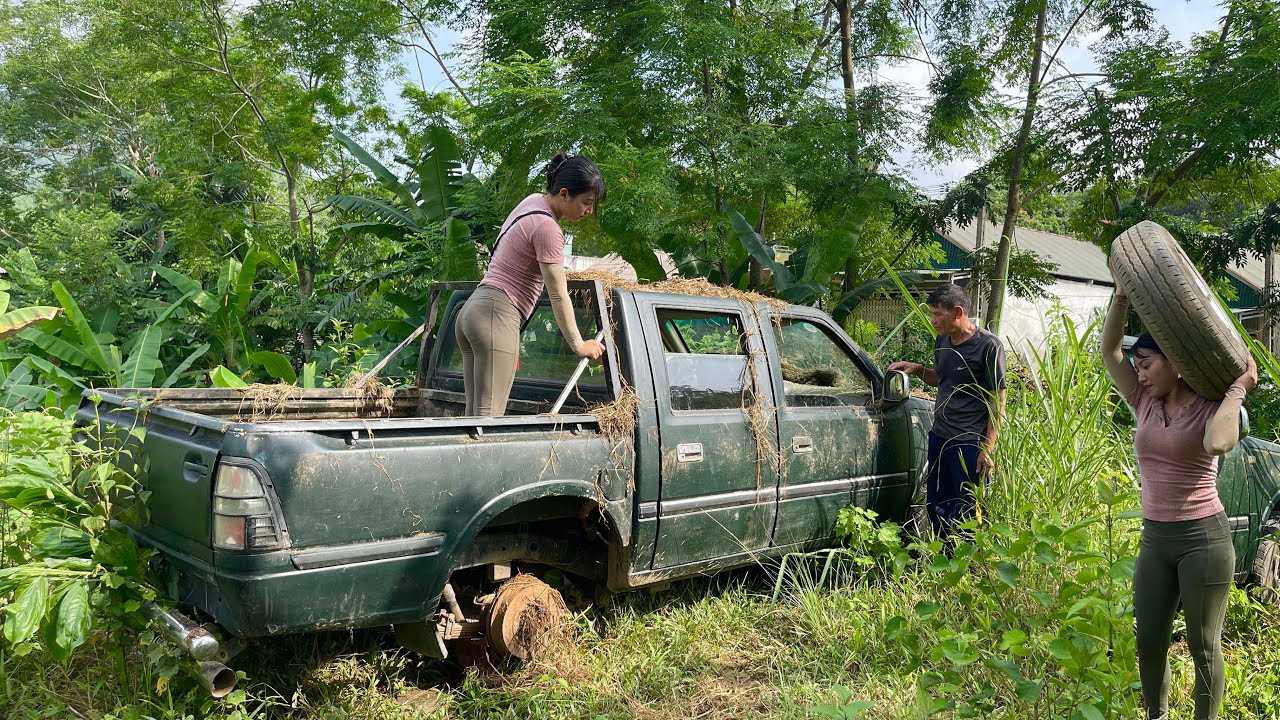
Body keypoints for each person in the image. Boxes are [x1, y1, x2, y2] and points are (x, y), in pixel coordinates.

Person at [1101, 280, 1256, 720]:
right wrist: (1123, 296)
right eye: (1139, 366)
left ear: (1177, 362)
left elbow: (1220, 443)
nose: (1141, 373)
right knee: (1149, 639)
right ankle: (1158, 715)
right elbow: (1110, 351)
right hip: (1156, 541)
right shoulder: (1143, 402)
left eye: (1147, 364)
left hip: (1202, 541)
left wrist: (1238, 388)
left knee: (1203, 645)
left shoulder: (1211, 407)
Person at [455, 152, 606, 416]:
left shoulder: (532, 202)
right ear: (563, 194)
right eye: (586, 202)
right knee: (487, 422)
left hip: (472, 312)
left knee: (472, 418)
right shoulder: (548, 228)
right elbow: (558, 294)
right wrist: (579, 344)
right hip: (496, 315)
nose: (588, 211)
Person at [888, 284, 1007, 540]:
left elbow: (997, 401)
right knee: (936, 504)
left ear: (957, 312)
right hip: (940, 436)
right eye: (931, 314)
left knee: (966, 509)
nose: (932, 321)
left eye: (937, 314)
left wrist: (987, 448)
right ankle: (944, 559)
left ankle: (967, 566)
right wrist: (918, 369)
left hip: (968, 442)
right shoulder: (942, 340)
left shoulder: (988, 346)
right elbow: (940, 378)